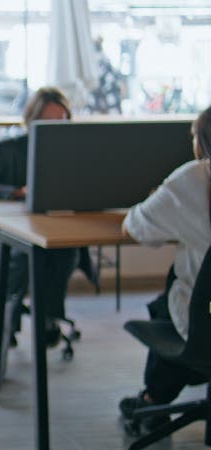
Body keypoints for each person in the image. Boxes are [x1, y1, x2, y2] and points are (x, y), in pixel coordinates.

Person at [0, 87, 81, 347]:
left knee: (65, 251)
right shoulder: (7, 151)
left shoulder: (71, 154)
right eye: (47, 122)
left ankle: (48, 317)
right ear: (31, 121)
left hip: (54, 233)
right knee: (25, 255)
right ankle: (9, 315)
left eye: (61, 122)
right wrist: (16, 192)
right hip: (7, 239)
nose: (55, 129)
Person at [118, 105, 211, 432]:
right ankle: (152, 400)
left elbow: (135, 227)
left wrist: (159, 200)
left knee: (171, 304)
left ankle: (152, 402)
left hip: (206, 326)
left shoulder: (195, 178)